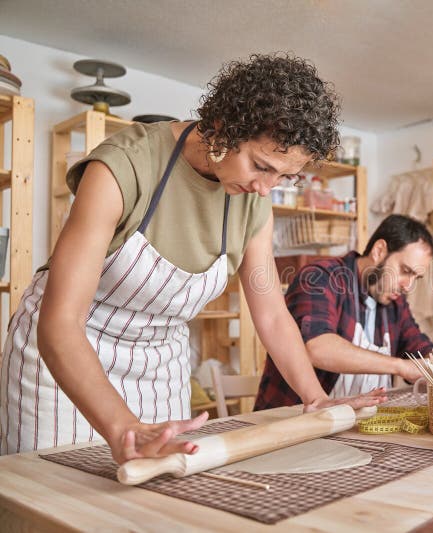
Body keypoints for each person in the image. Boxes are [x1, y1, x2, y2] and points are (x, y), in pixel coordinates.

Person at [0, 54, 385, 462]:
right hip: (63, 361)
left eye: (284, 177)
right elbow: (60, 322)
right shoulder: (123, 167)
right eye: (261, 166)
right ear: (222, 126)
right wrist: (121, 425)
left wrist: (316, 398)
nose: (265, 188)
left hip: (158, 364)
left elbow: (271, 315)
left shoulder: (254, 205)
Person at [255, 214, 433, 409]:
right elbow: (317, 348)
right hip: (293, 422)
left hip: (356, 427)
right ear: (379, 251)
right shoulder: (322, 277)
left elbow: (419, 355)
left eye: (416, 277)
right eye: (406, 271)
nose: (408, 286)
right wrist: (400, 367)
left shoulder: (395, 303)